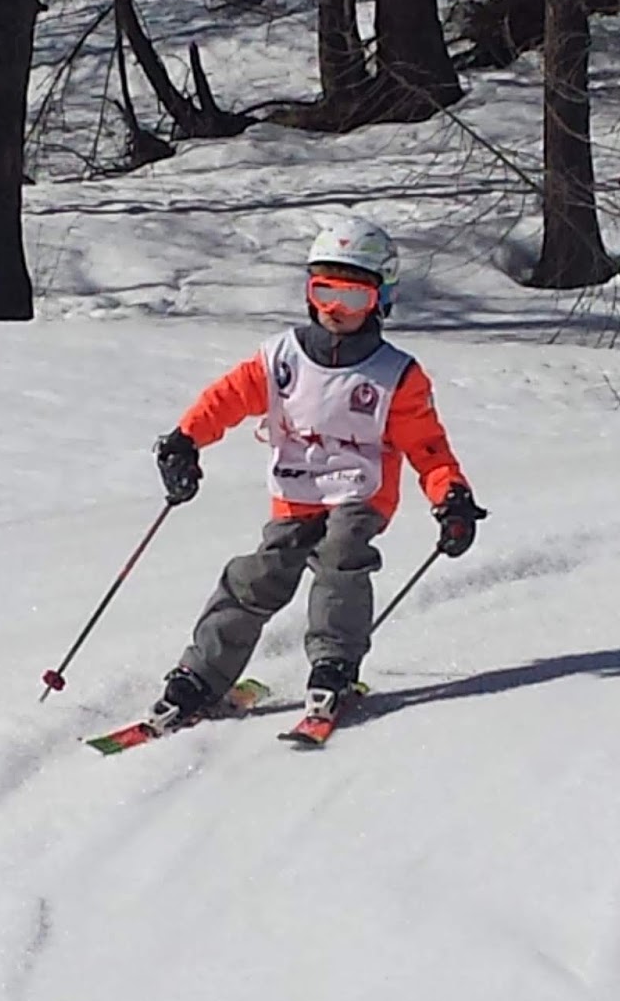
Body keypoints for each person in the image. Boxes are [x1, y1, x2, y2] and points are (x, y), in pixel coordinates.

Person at [151, 216, 486, 729]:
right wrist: (186, 439)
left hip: (361, 491)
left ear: (381, 299)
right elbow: (226, 400)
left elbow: (428, 447)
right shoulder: (281, 358)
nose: (336, 310)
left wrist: (451, 496)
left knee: (341, 557)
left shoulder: (395, 375)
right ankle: (201, 675)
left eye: (353, 299)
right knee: (258, 575)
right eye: (324, 292)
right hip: (297, 491)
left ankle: (333, 663)